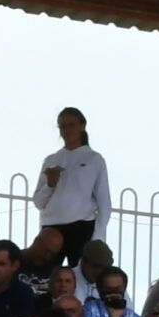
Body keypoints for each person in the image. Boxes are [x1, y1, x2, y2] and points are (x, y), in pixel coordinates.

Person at [31, 106, 110, 262]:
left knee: (78, 273)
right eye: (63, 126)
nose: (67, 130)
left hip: (81, 228)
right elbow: (38, 202)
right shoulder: (51, 160)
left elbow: (104, 202)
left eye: (71, 125)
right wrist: (50, 185)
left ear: (82, 126)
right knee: (49, 273)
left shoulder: (94, 159)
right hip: (51, 228)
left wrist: (98, 238)